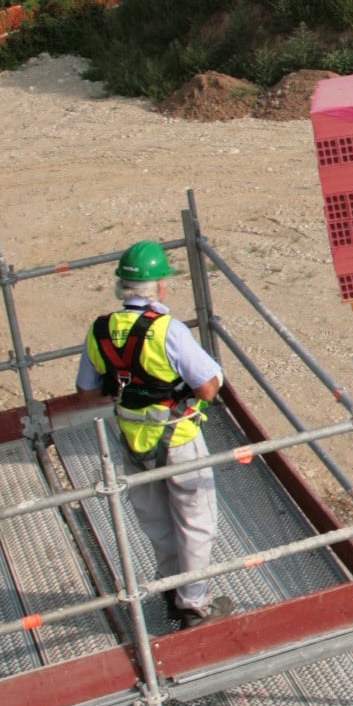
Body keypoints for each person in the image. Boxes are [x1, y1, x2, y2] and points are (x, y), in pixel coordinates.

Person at [78, 238, 225, 630]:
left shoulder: (100, 331)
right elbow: (209, 386)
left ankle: (170, 588)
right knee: (195, 520)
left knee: (156, 518)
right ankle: (194, 604)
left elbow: (88, 390)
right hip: (176, 437)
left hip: (131, 439)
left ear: (120, 288)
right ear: (159, 287)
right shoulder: (168, 331)